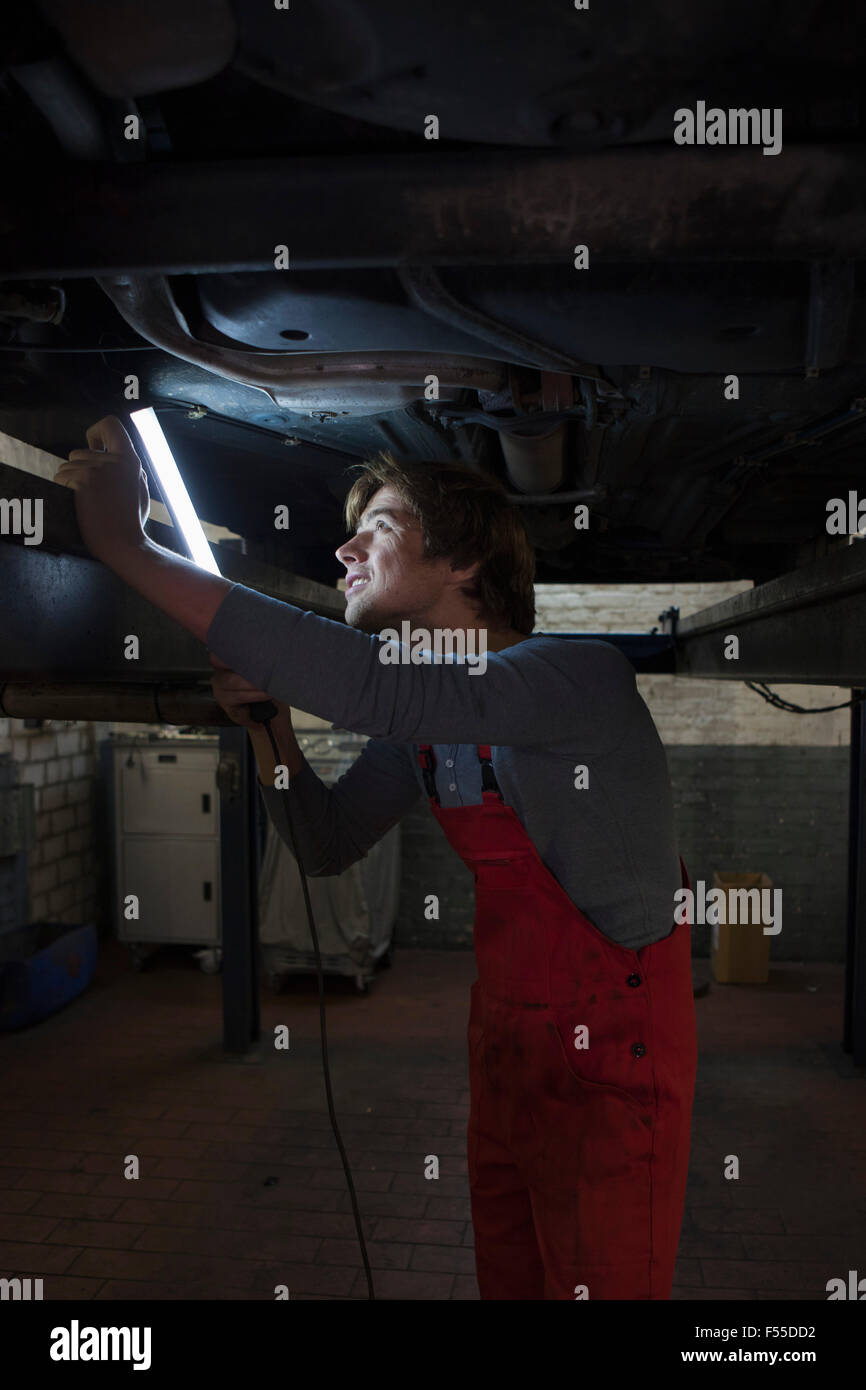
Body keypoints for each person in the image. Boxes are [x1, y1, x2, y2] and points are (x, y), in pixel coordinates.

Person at [57, 414, 698, 1300]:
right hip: (509, 1049)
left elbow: (381, 687)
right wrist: (269, 726)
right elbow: (324, 843)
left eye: (381, 527)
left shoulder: (578, 677)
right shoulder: (429, 729)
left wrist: (126, 546)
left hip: (614, 1062)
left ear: (464, 560)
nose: (346, 548)